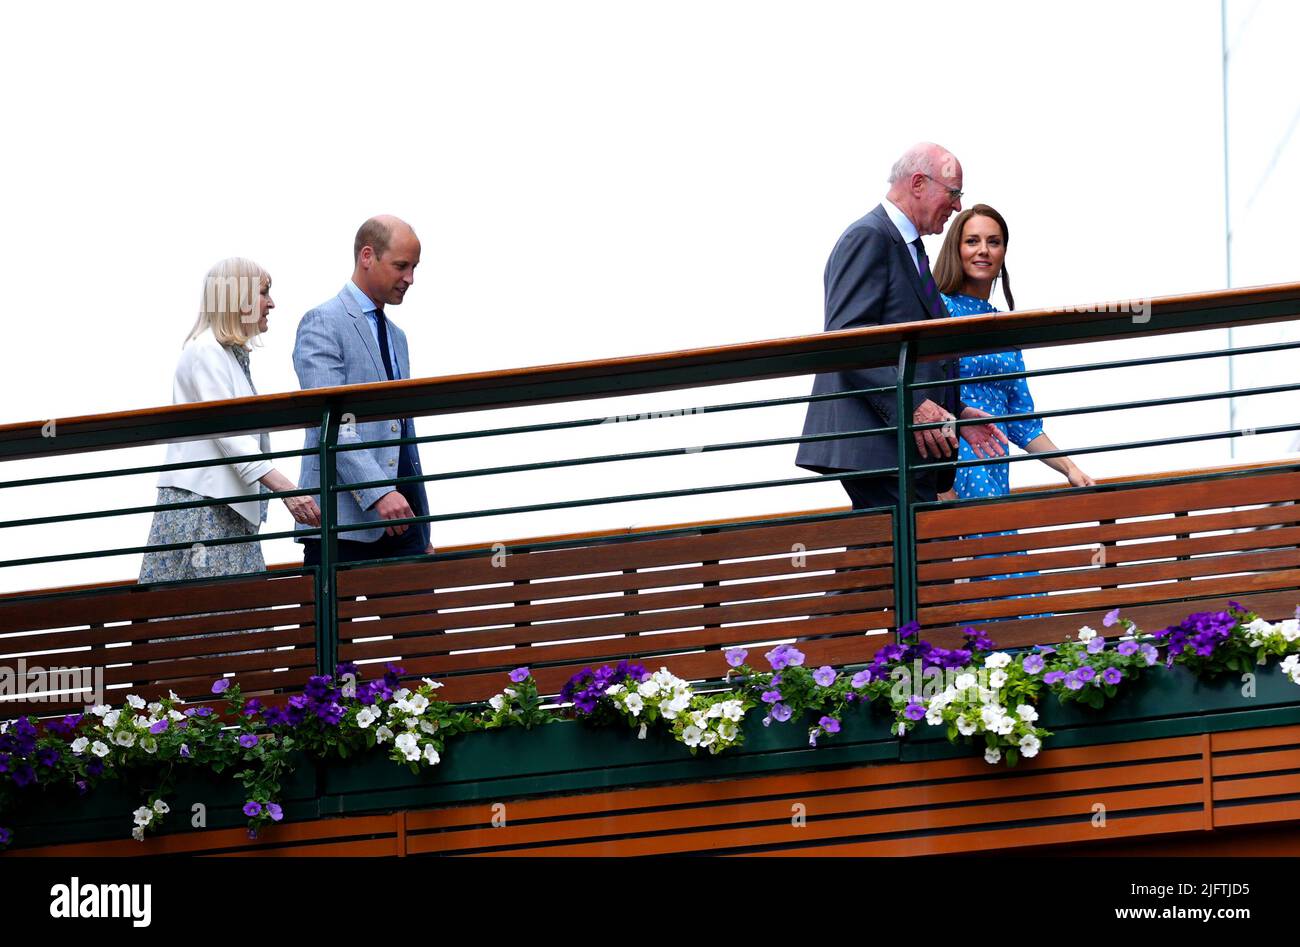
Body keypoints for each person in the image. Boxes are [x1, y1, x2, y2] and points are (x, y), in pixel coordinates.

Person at [795, 143, 1009, 511]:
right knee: (917, 556)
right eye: (954, 193)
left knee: (887, 558)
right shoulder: (870, 237)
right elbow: (848, 340)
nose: (957, 206)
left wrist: (955, 414)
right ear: (918, 183)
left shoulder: (912, 249)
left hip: (902, 451)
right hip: (879, 450)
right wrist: (914, 407)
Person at [140, 258, 322, 584]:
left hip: (224, 510)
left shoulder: (227, 356)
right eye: (264, 293)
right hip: (203, 511)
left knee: (232, 619)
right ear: (238, 299)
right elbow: (231, 437)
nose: (272, 303)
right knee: (210, 620)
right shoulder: (206, 352)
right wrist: (288, 490)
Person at [293, 215, 433, 566]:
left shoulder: (397, 337)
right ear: (367, 256)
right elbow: (331, 422)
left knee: (422, 623)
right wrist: (379, 492)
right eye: (401, 265)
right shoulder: (322, 321)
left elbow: (403, 432)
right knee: (330, 624)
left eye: (414, 267)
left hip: (402, 522)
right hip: (342, 525)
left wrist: (422, 526)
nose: (410, 279)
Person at [932, 204, 1094, 500]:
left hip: (994, 465)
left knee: (1001, 544)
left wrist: (1069, 468)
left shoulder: (1006, 330)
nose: (983, 250)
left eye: (993, 242)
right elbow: (925, 398)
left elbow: (1023, 423)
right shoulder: (938, 310)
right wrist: (940, 486)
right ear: (956, 250)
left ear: (1003, 253)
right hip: (952, 463)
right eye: (972, 241)